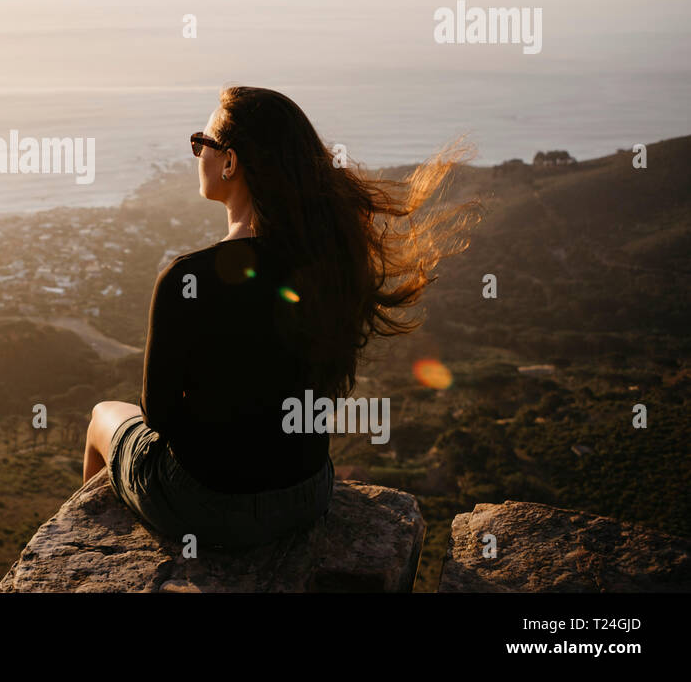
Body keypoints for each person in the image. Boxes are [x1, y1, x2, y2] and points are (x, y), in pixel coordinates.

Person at [82, 85, 482, 550]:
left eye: (201, 143)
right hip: (305, 493)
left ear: (230, 162)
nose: (196, 154)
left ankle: (81, 547)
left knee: (100, 417)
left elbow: (159, 415)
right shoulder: (328, 262)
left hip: (204, 505)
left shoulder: (185, 277)